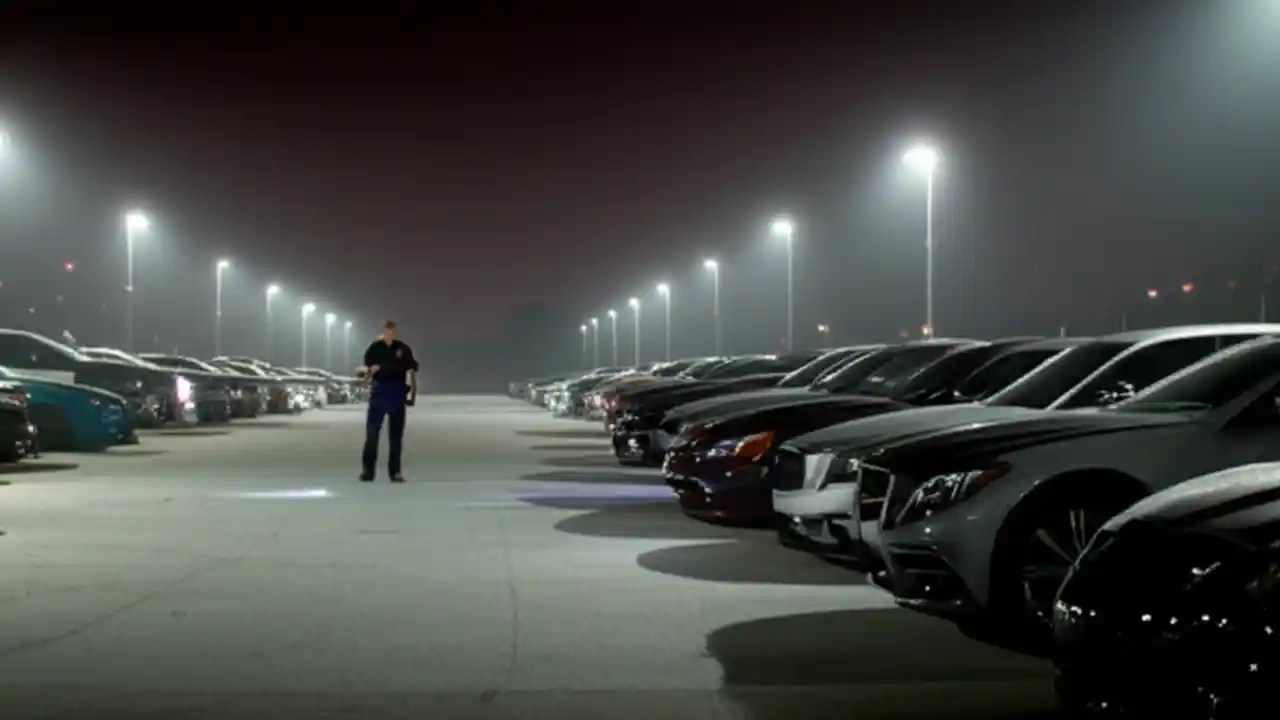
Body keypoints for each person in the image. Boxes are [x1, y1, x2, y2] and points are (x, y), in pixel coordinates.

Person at [360, 320, 418, 482]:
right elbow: (366, 369)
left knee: (396, 437)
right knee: (371, 435)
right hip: (379, 393)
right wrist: (367, 377)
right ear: (383, 331)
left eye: (392, 331)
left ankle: (395, 472)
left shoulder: (402, 348)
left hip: (397, 394)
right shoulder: (375, 348)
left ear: (395, 332)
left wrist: (412, 395)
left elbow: (412, 370)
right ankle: (368, 471)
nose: (389, 334)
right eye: (387, 331)